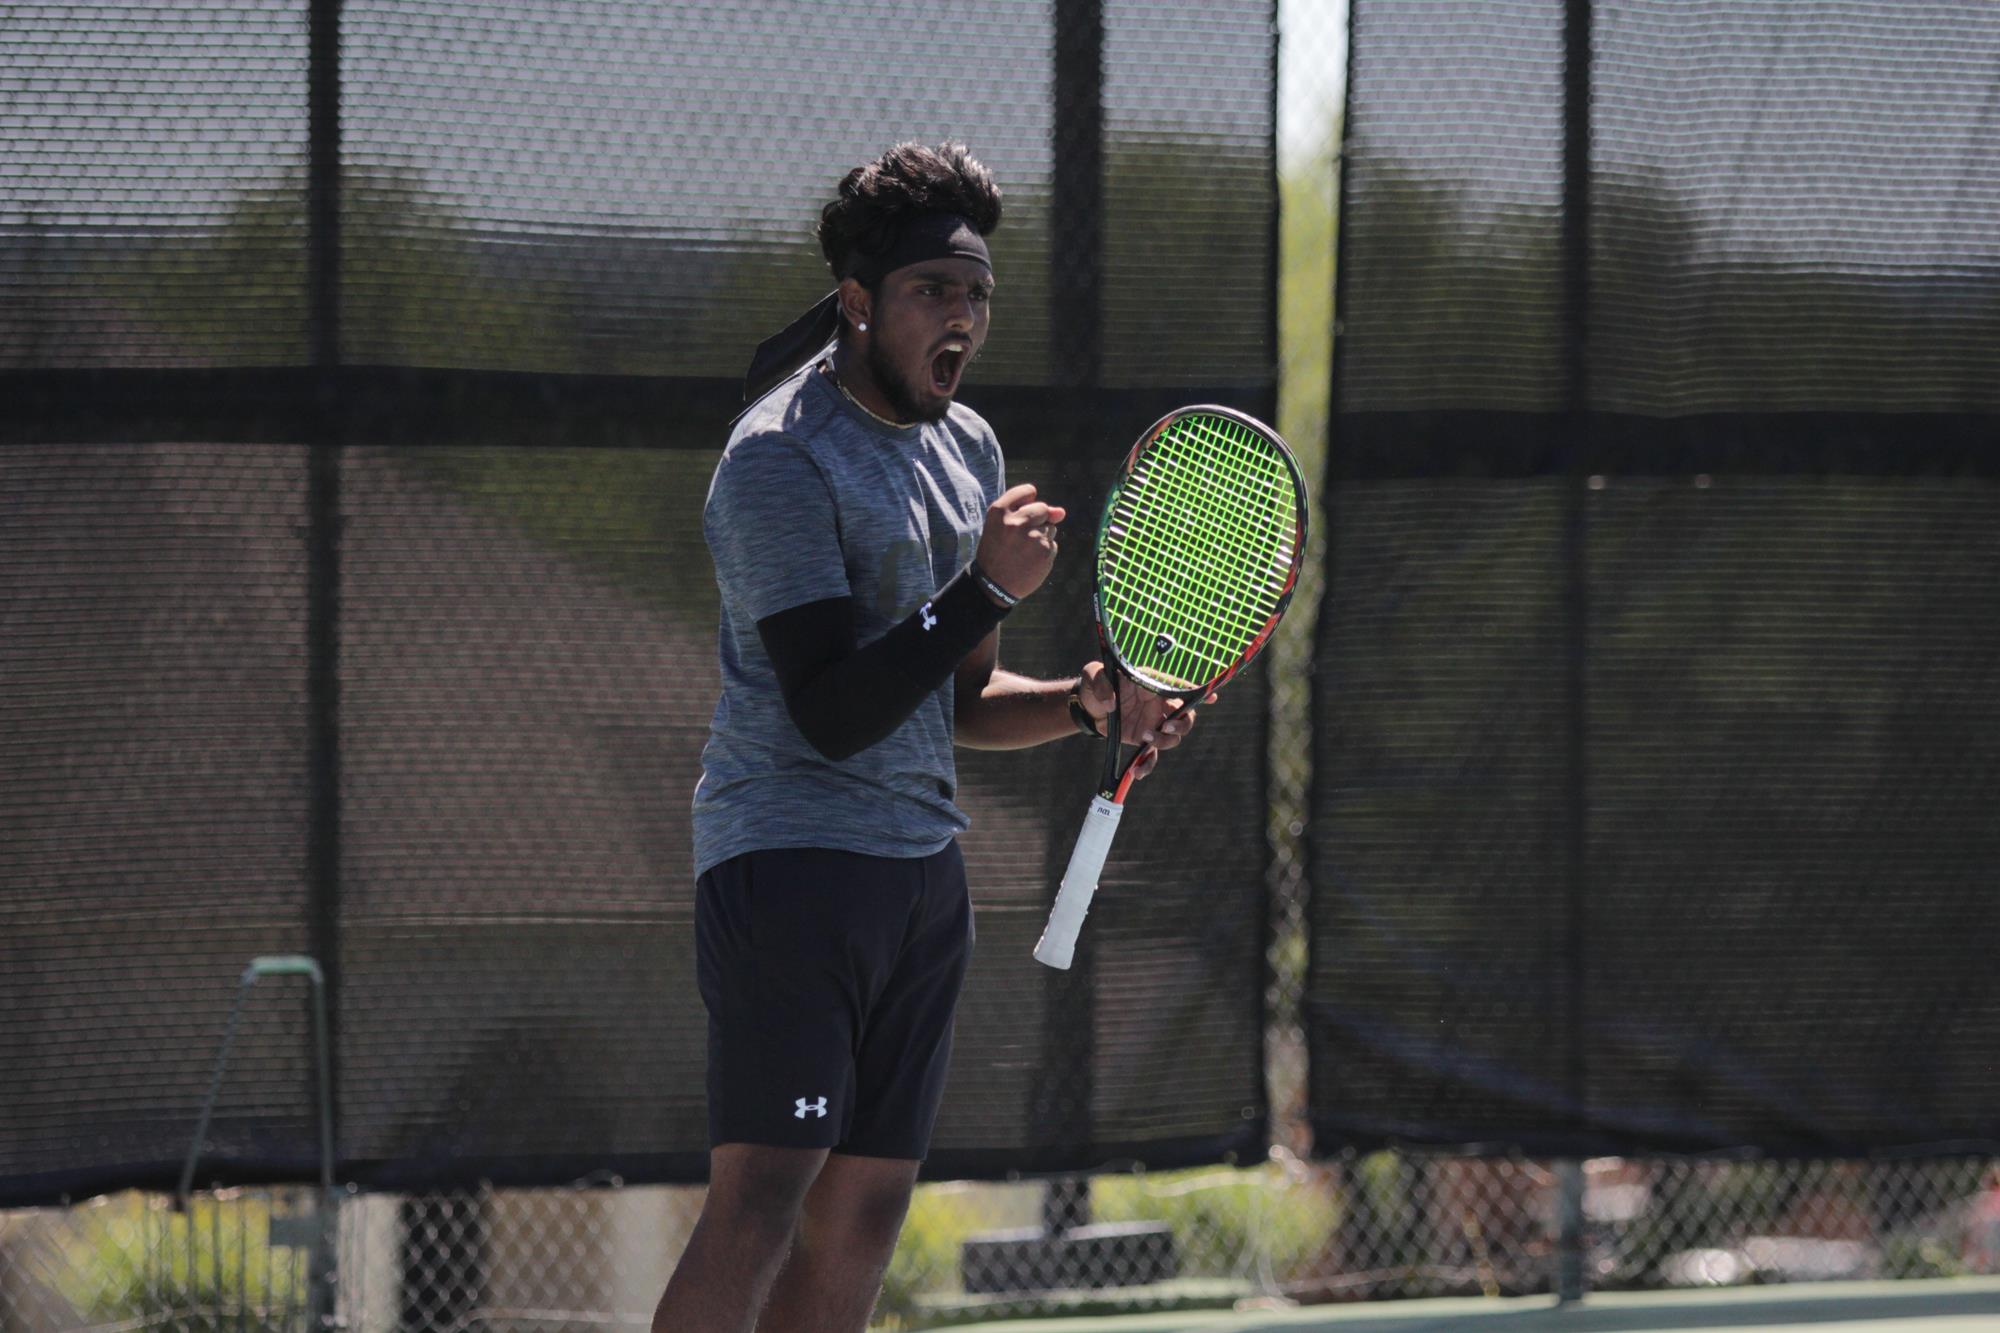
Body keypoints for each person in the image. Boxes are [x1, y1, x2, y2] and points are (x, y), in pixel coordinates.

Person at [652, 141, 1203, 1333]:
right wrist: (985, 592)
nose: (959, 317)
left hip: (918, 881)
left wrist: (1082, 702)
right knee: (761, 1202)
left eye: (975, 296)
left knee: (861, 1217)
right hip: (790, 866)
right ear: (856, 303)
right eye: (929, 292)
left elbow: (950, 703)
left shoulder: (969, 453)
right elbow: (832, 709)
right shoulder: (773, 461)